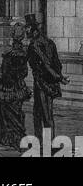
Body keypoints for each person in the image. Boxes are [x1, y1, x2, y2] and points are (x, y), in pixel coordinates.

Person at [0, 22, 30, 149]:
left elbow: (3, 72)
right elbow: (24, 72)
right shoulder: (24, 54)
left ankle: (11, 138)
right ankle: (15, 138)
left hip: (7, 87)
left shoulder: (9, 55)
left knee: (9, 113)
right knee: (15, 112)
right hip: (18, 87)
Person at [24, 13, 67, 141]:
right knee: (38, 113)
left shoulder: (35, 45)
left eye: (27, 28)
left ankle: (49, 144)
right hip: (47, 82)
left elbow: (47, 64)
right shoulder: (50, 42)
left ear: (33, 29)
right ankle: (40, 142)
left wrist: (59, 78)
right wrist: (58, 77)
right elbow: (57, 63)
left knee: (46, 115)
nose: (26, 30)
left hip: (43, 83)